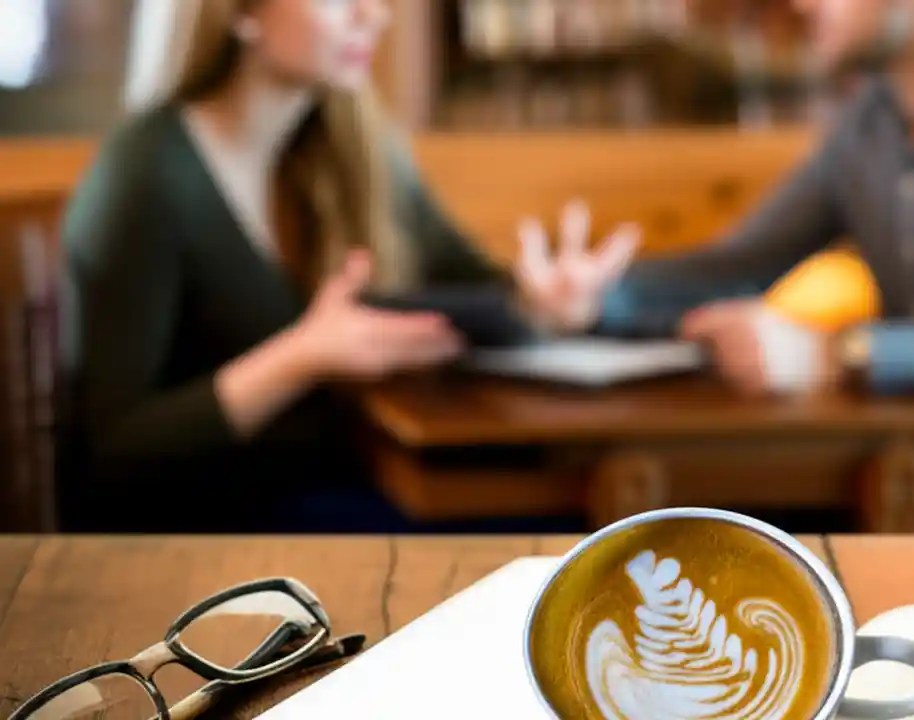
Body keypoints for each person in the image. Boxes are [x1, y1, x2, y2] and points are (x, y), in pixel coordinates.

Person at [518, 0, 914, 534]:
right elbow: (737, 268)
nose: (798, 6)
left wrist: (839, 355)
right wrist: (596, 300)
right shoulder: (867, 125)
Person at [60, 0, 639, 531]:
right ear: (240, 13)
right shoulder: (145, 175)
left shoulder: (356, 147)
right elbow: (114, 454)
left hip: (341, 494)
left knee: (575, 524)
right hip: (219, 534)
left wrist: (545, 303)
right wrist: (302, 356)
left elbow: (474, 285)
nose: (373, 15)